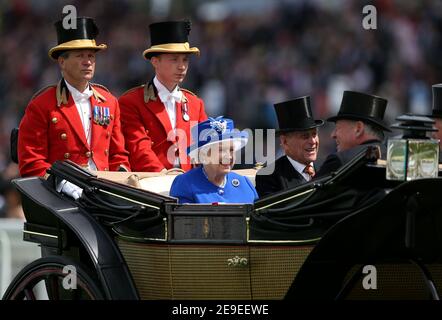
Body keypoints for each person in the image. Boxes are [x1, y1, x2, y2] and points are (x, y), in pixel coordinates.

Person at [18, 17, 130, 197]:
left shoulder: (110, 102)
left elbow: (118, 156)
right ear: (62, 62)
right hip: (60, 197)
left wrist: (121, 181)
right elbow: (31, 162)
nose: (88, 62)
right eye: (80, 56)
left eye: (91, 56)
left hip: (105, 194)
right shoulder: (42, 105)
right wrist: (62, 183)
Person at [119, 20, 207, 173]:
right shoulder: (131, 102)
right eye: (174, 59)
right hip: (151, 187)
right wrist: (164, 176)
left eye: (185, 60)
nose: (182, 66)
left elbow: (205, 147)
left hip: (189, 186)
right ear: (155, 61)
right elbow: (139, 149)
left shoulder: (195, 103)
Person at [170, 117, 258, 204]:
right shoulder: (185, 184)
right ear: (204, 155)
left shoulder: (244, 183)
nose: (228, 157)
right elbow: (184, 217)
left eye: (231, 150)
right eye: (221, 150)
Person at [255, 96, 324, 197]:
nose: (313, 141)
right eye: (305, 136)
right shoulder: (269, 177)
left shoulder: (327, 167)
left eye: (314, 134)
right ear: (285, 141)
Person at [315, 91, 390, 177]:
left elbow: (309, 190)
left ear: (358, 129)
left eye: (337, 128)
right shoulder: (396, 162)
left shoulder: (340, 161)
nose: (333, 135)